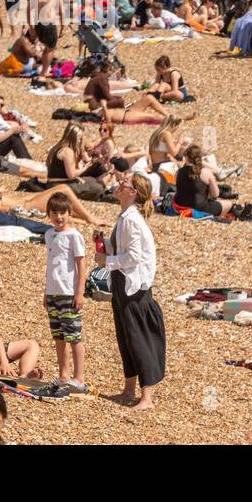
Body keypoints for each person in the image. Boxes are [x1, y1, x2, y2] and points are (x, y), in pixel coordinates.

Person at [94, 172, 165, 410]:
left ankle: (147, 398)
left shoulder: (132, 219)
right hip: (124, 284)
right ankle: (129, 390)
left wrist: (107, 261)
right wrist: (106, 245)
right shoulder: (125, 216)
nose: (120, 183)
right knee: (126, 337)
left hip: (134, 287)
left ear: (132, 192)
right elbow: (125, 250)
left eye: (125, 182)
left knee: (138, 338)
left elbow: (133, 257)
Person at [43, 194, 86, 390]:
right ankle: (63, 374)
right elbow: (50, 265)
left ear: (70, 213)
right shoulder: (49, 235)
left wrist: (80, 292)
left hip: (69, 293)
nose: (59, 217)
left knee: (74, 336)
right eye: (54, 213)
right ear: (49, 215)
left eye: (62, 213)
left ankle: (79, 377)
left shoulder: (74, 236)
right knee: (58, 336)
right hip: (53, 292)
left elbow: (81, 265)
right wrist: (46, 291)